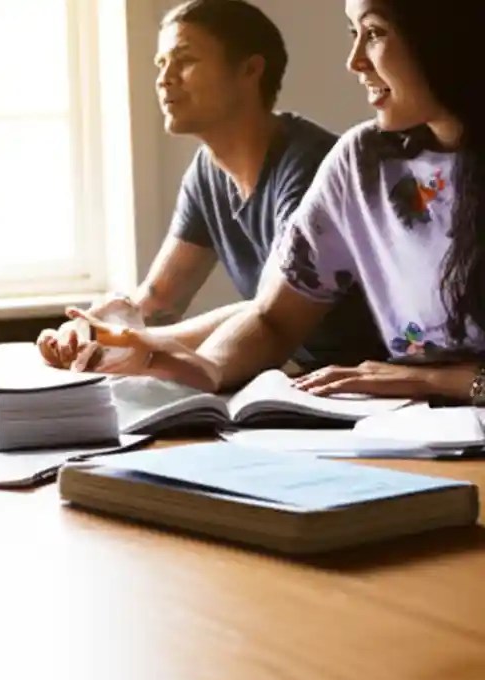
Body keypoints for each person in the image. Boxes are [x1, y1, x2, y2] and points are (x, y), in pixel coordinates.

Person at [74, 0, 485, 404]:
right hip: (415, 430)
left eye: (374, 33)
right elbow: (272, 319)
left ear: (442, 35)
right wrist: (202, 367)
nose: (354, 61)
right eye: (352, 33)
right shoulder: (362, 161)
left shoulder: (302, 158)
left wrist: (435, 381)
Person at [38, 0, 385, 374]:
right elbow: (159, 301)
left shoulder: (311, 165)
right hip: (301, 378)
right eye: (161, 64)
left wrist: (136, 343)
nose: (165, 78)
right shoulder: (207, 171)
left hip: (368, 384)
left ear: (250, 70)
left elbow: (270, 311)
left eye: (184, 61)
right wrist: (97, 328)